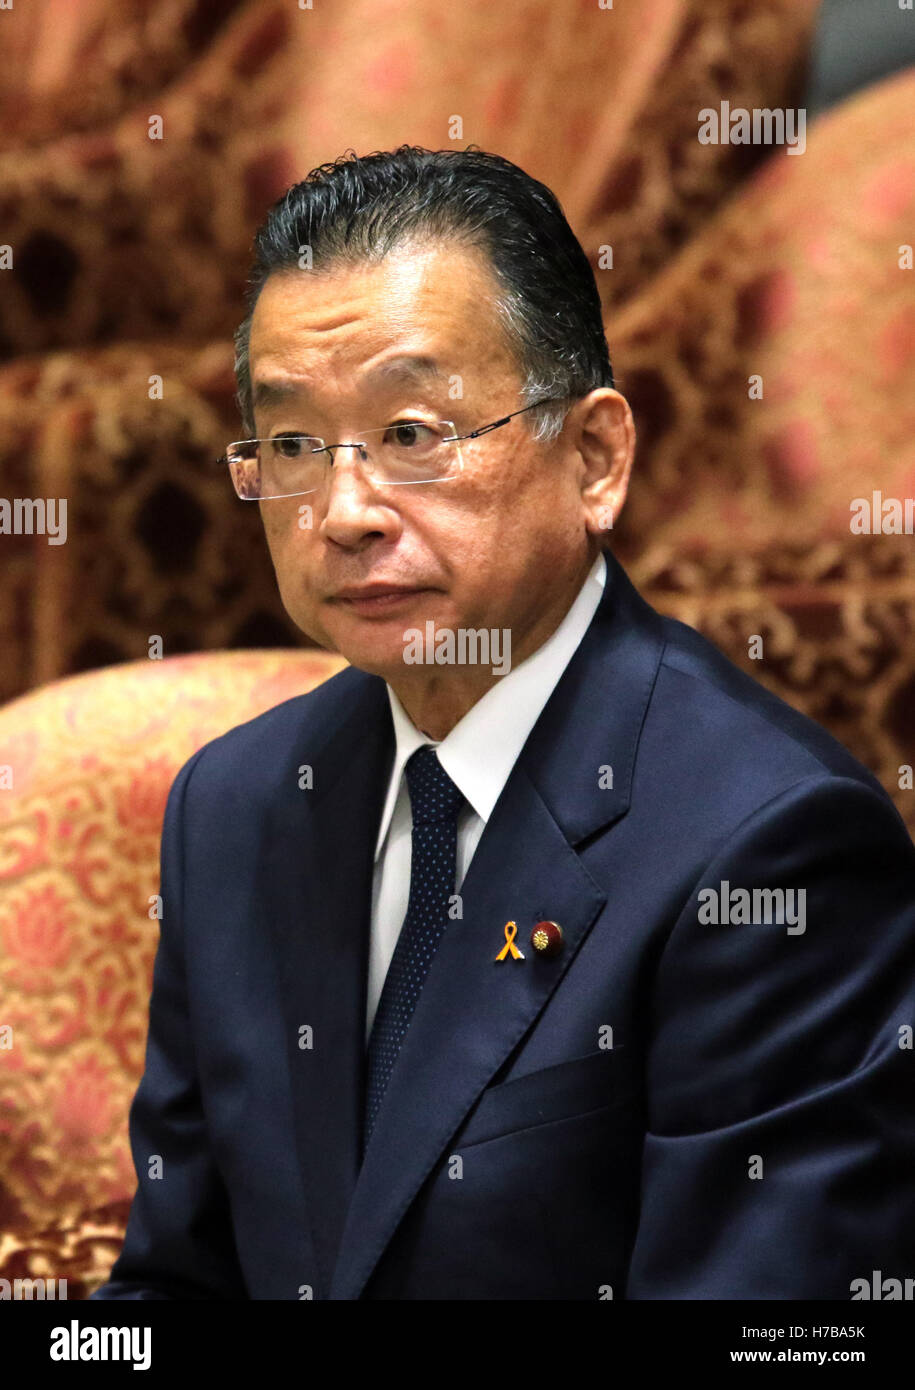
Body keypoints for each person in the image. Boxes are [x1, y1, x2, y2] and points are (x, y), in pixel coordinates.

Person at [91, 146, 915, 1300]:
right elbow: (173, 1285)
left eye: (414, 434)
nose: (343, 513)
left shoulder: (767, 849)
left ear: (594, 457)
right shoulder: (235, 806)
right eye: (290, 446)